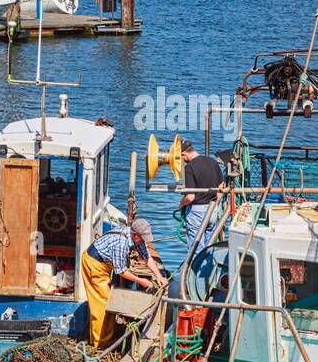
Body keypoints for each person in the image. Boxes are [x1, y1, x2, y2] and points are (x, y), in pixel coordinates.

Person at [80, 217, 164, 348]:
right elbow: (121, 271)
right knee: (103, 304)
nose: (144, 241)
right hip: (94, 264)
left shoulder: (136, 238)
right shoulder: (121, 242)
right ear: (135, 235)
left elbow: (147, 257)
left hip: (105, 264)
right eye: (143, 238)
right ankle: (101, 344)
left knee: (106, 300)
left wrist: (159, 276)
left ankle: (104, 336)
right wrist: (140, 281)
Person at [179, 140, 224, 251]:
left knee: (196, 249)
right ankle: (208, 267)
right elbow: (221, 186)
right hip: (212, 209)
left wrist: (181, 205)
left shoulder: (189, 168)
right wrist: (216, 204)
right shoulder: (212, 161)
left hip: (196, 212)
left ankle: (196, 268)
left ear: (183, 153)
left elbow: (190, 197)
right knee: (209, 247)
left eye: (181, 158)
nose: (182, 161)